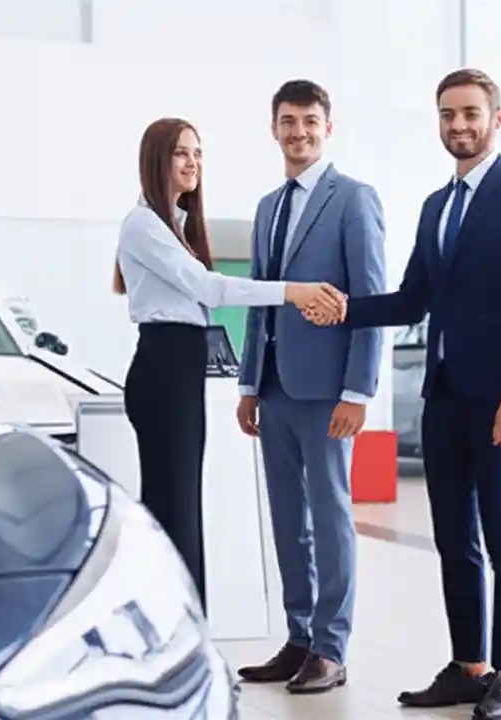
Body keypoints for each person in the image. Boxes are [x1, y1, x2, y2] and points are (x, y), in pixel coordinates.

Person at [320, 68, 501, 720]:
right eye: (447, 115)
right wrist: (339, 308)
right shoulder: (435, 207)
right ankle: (468, 666)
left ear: (496, 118)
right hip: (445, 398)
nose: (458, 126)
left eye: (469, 114)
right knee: (454, 540)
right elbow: (412, 299)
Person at [113, 117, 346, 613]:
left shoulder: (173, 224)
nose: (192, 163)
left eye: (197, 153)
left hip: (178, 367)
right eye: (181, 153)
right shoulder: (143, 224)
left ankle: (177, 622)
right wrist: (294, 292)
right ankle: (179, 625)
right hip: (162, 368)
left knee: (179, 503)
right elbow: (210, 290)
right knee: (173, 505)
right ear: (156, 159)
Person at [233, 80, 386, 695]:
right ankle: (298, 638)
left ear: (328, 126)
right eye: (288, 121)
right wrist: (249, 381)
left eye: (310, 121)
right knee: (287, 517)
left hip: (327, 391)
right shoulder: (268, 206)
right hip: (273, 387)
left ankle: (331, 646)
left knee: (330, 517)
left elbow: (369, 299)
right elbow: (259, 301)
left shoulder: (353, 199)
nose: (299, 132)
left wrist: (358, 391)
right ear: (274, 128)